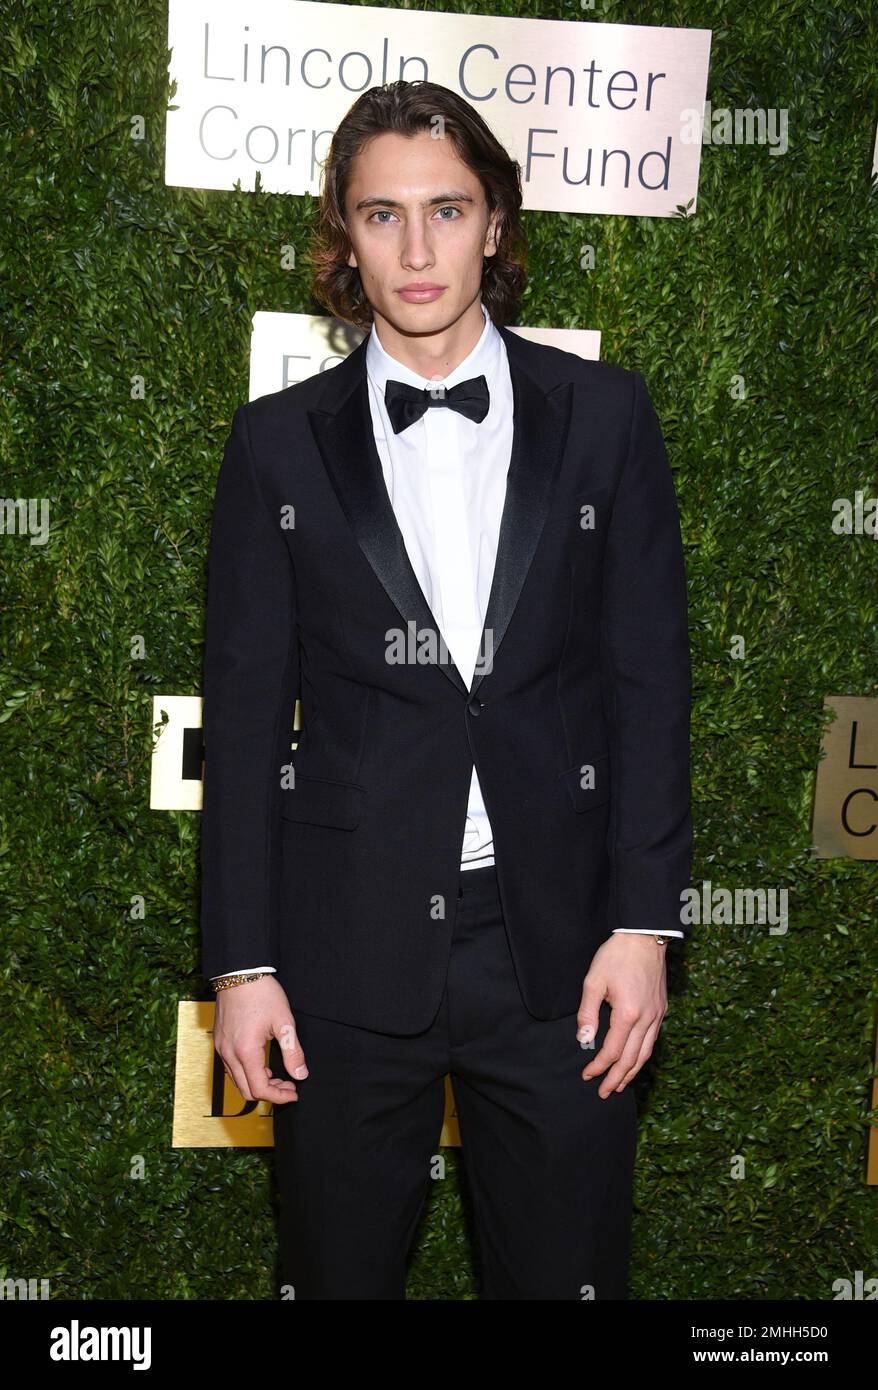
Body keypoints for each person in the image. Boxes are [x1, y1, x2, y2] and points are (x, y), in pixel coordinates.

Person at [199, 79, 692, 1300]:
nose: (416, 250)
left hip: (562, 952)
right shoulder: (274, 444)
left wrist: (643, 927)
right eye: (382, 215)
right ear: (344, 235)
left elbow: (646, 686)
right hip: (340, 956)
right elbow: (245, 719)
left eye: (447, 210)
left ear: (495, 225)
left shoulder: (605, 418)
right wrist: (241, 967)